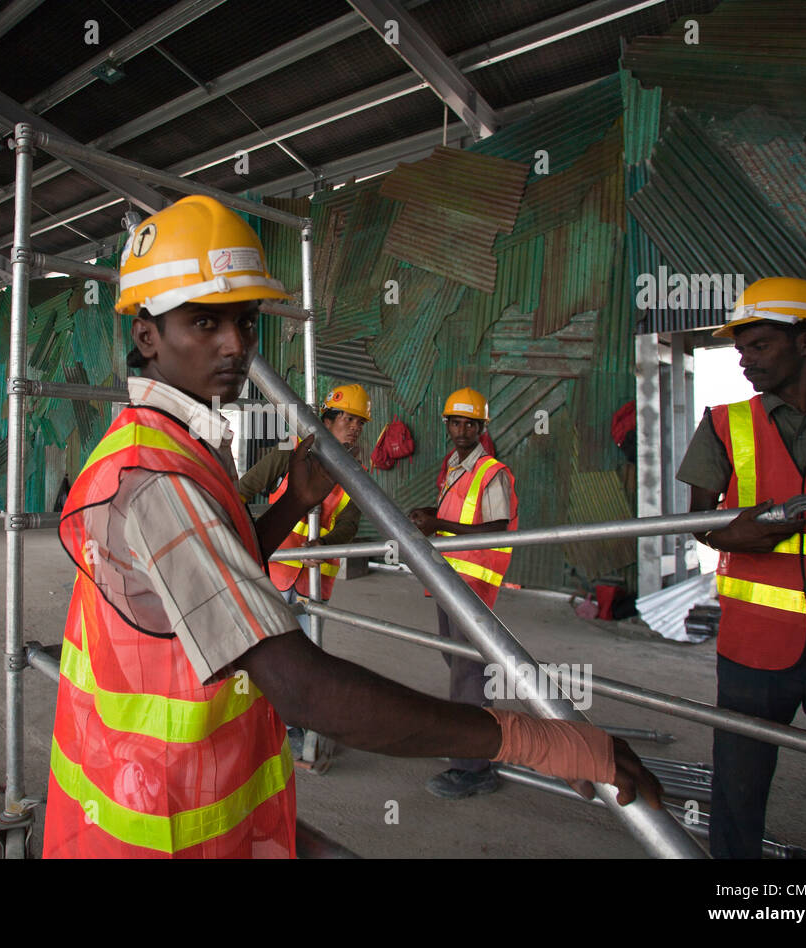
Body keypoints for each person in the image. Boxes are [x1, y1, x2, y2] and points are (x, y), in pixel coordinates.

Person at [42, 194, 657, 858]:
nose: (236, 346)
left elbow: (203, 582)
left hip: (193, 803)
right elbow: (306, 689)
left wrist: (290, 505)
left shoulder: (170, 442)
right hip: (155, 825)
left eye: (246, 323)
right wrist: (540, 740)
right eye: (203, 322)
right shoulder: (157, 478)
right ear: (147, 336)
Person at [676, 277, 806, 859]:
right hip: (753, 646)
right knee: (739, 791)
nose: (745, 360)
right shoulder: (724, 423)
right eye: (740, 349)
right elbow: (695, 523)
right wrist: (732, 532)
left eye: (760, 345)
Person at [238, 383, 369, 750]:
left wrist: (325, 544)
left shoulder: (356, 475)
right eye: (347, 418)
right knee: (265, 651)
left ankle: (296, 728)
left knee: (306, 656)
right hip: (275, 572)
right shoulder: (288, 455)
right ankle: (266, 719)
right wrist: (243, 535)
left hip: (314, 580)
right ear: (326, 419)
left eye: (360, 422)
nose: (355, 427)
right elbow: (243, 489)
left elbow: (349, 523)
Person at [407, 388, 518, 801]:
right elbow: (455, 517)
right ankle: (479, 742)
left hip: (474, 584)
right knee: (457, 662)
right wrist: (431, 516)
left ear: (482, 428)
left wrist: (440, 528)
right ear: (447, 425)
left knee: (469, 671)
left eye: (470, 423)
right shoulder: (454, 466)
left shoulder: (493, 472)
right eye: (455, 422)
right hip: (449, 579)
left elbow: (497, 528)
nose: (462, 430)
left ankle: (473, 768)